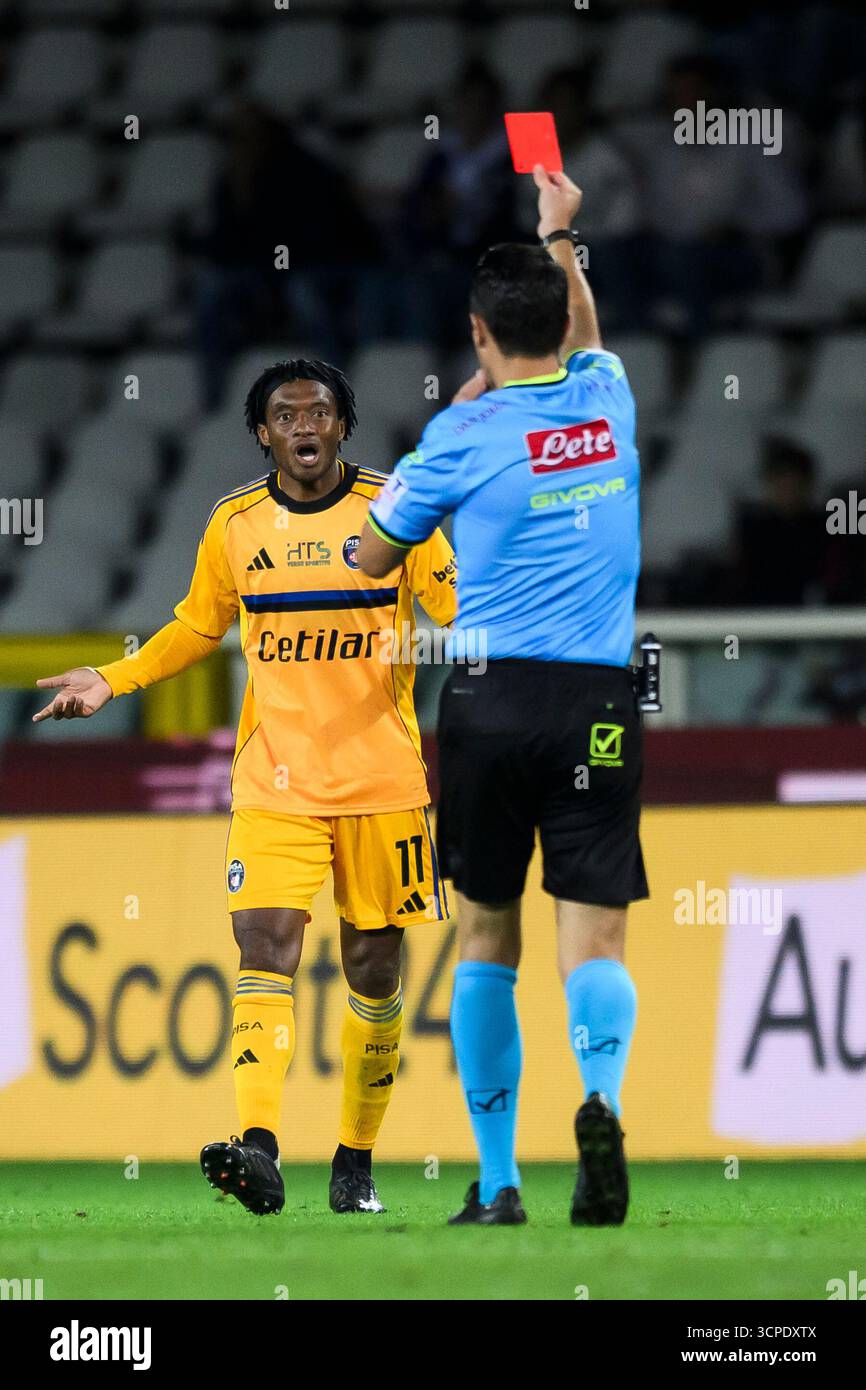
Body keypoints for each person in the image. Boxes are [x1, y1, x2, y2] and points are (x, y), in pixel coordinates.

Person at [33, 359, 457, 1217]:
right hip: (277, 782)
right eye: (286, 414)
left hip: (384, 781)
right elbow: (198, 623)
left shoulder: (399, 511)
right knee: (263, 945)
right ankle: (258, 1150)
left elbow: (459, 611)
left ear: (344, 426)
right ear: (262, 434)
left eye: (321, 411)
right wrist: (113, 680)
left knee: (375, 970)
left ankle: (355, 1163)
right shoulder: (234, 522)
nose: (305, 424)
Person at [357, 168, 646, 1227]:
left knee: (485, 935)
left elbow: (365, 554)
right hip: (600, 700)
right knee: (597, 941)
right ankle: (602, 1104)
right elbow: (586, 330)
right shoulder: (605, 401)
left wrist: (420, 467)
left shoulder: (456, 440)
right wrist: (560, 232)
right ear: (561, 335)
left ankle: (499, 1179)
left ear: (477, 333)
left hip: (485, 702)